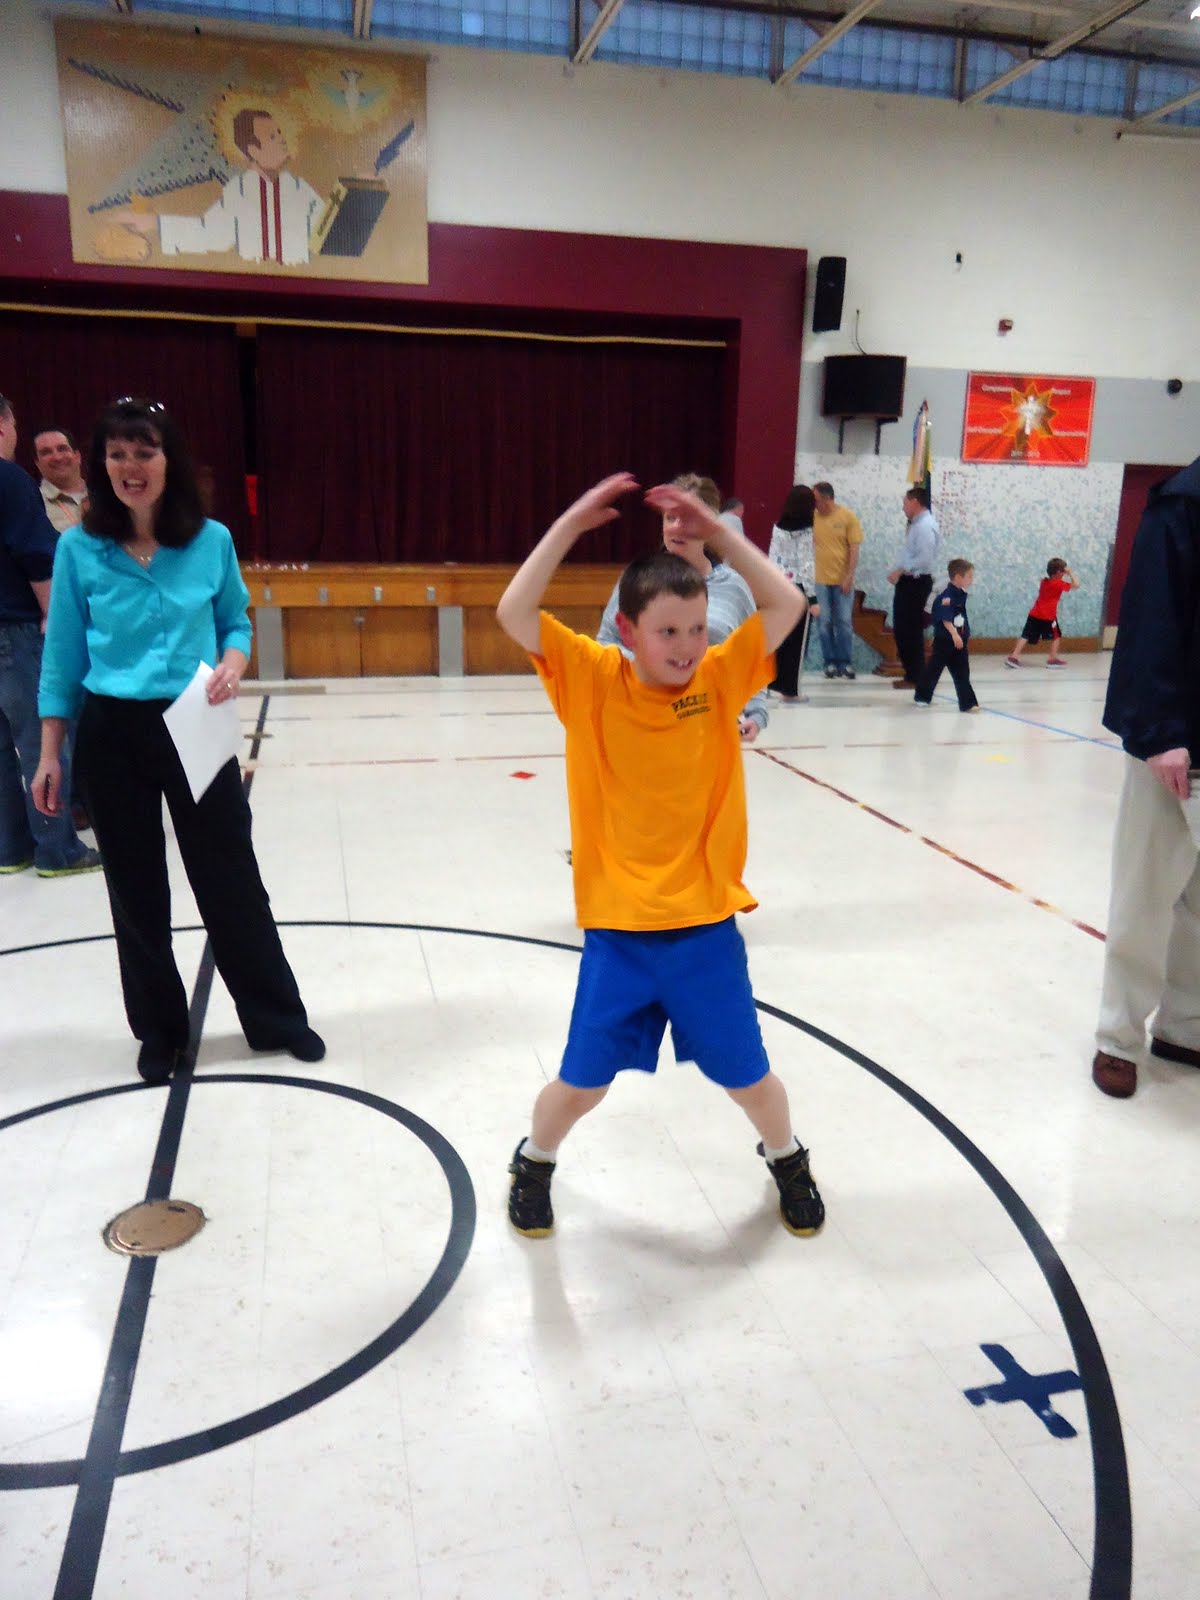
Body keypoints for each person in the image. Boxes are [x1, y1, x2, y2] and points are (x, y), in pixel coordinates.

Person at [497, 474, 825, 1239]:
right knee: (580, 1084)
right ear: (627, 628)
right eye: (667, 631)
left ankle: (788, 1157)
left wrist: (721, 535)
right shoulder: (591, 679)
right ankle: (534, 1160)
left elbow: (787, 604)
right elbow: (514, 611)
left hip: (705, 929)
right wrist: (572, 520)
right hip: (619, 933)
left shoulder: (721, 678)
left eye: (696, 629)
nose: (685, 648)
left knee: (751, 1080)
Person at [32, 398, 322, 1084]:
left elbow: (237, 622)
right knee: (135, 887)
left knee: (231, 878)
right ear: (101, 466)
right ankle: (160, 1033)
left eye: (145, 451)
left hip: (195, 717)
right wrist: (49, 751)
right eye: (118, 454)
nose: (131, 467)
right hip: (113, 728)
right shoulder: (79, 547)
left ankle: (276, 1018)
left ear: (170, 460)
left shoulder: (211, 540)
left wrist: (234, 661)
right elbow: (64, 654)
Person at [1091, 458, 1200, 1099]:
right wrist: (1162, 734)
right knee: (1146, 892)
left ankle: (1185, 1025)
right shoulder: (1181, 504)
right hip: (1174, 741)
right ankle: (1118, 1038)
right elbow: (1152, 621)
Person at [0, 392, 99, 878]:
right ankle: (57, 848)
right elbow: (36, 556)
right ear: (4, 425)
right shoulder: (12, 481)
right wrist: (50, 619)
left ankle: (9, 848)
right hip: (18, 629)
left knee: (2, 748)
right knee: (45, 739)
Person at [597, 473, 769, 742]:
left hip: (710, 734)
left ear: (710, 526)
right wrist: (656, 672)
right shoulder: (638, 578)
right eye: (670, 517)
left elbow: (753, 656)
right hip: (644, 724)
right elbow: (607, 641)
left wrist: (756, 713)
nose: (677, 526)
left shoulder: (733, 587)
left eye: (688, 518)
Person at [115, 109, 323, 267]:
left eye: (279, 133)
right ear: (253, 150)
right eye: (272, 137)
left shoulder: (299, 189)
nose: (282, 141)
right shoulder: (240, 191)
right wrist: (157, 223)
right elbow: (208, 233)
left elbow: (328, 229)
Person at [766, 484, 819, 703]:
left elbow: (772, 557)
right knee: (797, 643)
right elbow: (806, 566)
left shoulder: (777, 528)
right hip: (798, 589)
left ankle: (770, 682)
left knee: (778, 638)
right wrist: (813, 598)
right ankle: (790, 690)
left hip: (778, 586)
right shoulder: (806, 532)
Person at [887, 486, 940, 689]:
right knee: (903, 629)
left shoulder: (925, 526)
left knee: (910, 630)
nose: (903, 507)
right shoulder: (917, 525)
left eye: (905, 503)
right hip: (910, 582)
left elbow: (925, 559)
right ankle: (912, 674)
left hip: (916, 583)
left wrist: (901, 571)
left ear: (915, 502)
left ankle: (916, 676)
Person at [812, 481, 864, 680]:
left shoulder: (847, 517)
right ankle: (830, 663)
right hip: (818, 580)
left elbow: (854, 548)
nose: (814, 504)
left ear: (827, 498)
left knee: (843, 621)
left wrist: (849, 576)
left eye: (816, 500)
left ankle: (845, 663)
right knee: (823, 622)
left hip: (842, 579)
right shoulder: (812, 518)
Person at [914, 559, 979, 712]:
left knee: (962, 672)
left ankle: (968, 703)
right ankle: (922, 696)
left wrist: (961, 636)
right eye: (969, 576)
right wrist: (955, 635)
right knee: (934, 669)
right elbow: (945, 618)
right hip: (946, 640)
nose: (971, 579)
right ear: (957, 577)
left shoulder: (960, 594)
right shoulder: (947, 596)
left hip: (958, 640)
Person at [1006, 558, 1077, 668]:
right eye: (1063, 571)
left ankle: (1014, 657)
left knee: (1025, 635)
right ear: (1059, 572)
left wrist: (1064, 572)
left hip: (1034, 614)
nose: (1065, 573)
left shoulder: (1044, 582)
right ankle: (1052, 659)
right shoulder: (1058, 584)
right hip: (1048, 617)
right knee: (1056, 636)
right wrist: (1071, 573)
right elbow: (1076, 585)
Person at [34, 427, 88, 533]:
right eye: (46, 452)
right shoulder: (34, 505)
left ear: (78, 456)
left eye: (62, 449)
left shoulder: (105, 495)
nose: (57, 457)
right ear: (37, 463)